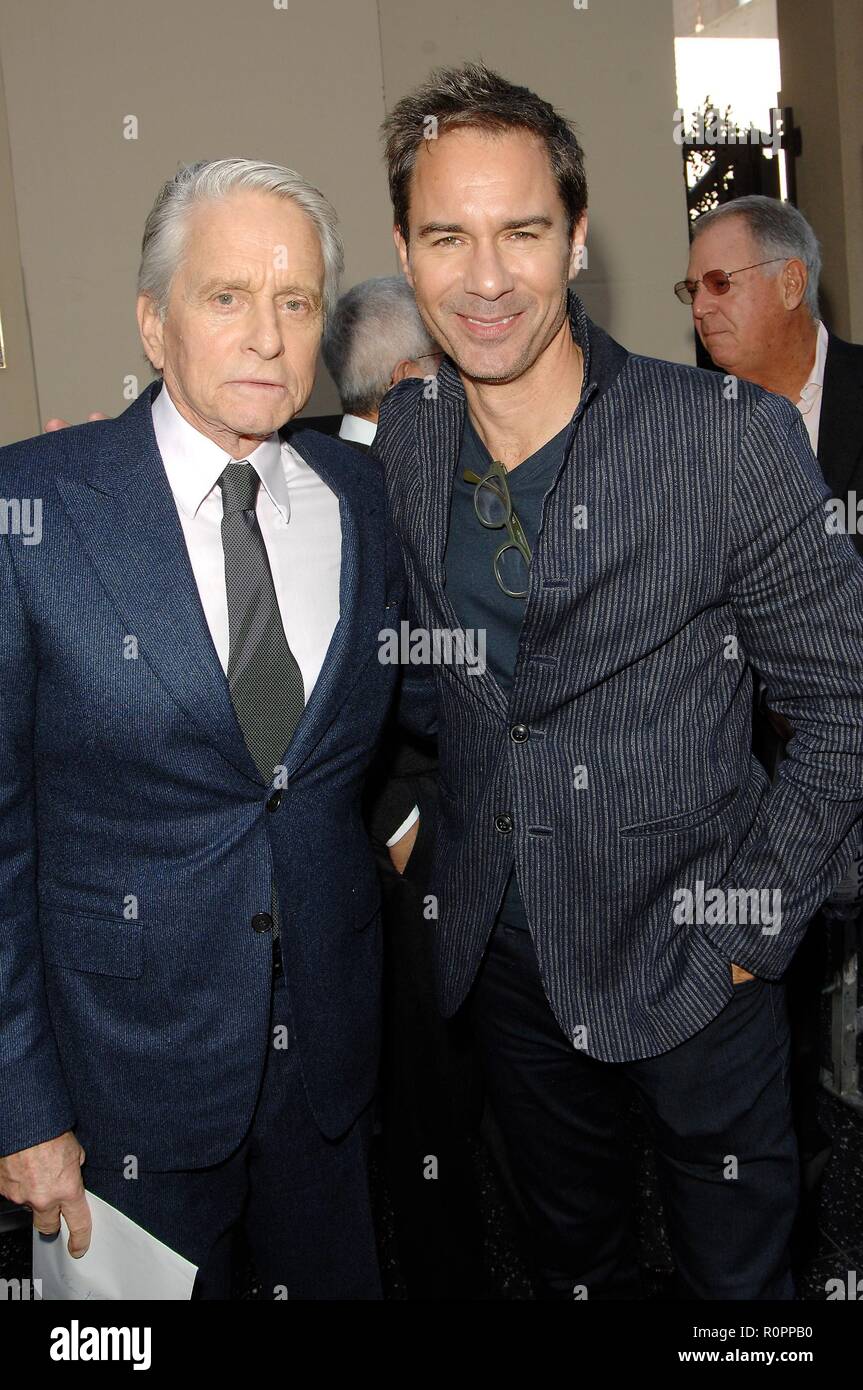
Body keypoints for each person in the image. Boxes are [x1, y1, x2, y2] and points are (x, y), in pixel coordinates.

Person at [372, 61, 863, 1300]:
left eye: (522, 232)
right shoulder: (408, 438)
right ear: (404, 248)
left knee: (738, 1292)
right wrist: (405, 825)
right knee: (568, 1261)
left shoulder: (721, 440)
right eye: (447, 236)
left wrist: (752, 927)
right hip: (506, 964)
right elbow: (388, 684)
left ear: (577, 240)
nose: (485, 278)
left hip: (695, 958)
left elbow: (844, 702)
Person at [0, 157, 409, 1299]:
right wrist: (20, 1103)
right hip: (119, 1082)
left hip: (329, 1066)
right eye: (227, 296)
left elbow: (384, 724)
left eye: (294, 302)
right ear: (153, 319)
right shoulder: (30, 512)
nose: (268, 337)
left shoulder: (359, 494)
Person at [681, 195, 863, 1223]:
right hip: (752, 793)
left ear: (789, 283)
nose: (699, 309)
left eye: (719, 283)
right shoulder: (692, 435)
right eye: (689, 289)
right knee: (777, 1034)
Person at [322, 276, 486, 1297]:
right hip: (402, 840)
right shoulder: (335, 485)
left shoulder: (430, 461)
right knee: (424, 1095)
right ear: (408, 378)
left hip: (481, 818)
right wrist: (398, 822)